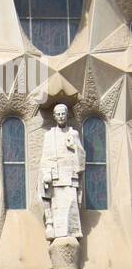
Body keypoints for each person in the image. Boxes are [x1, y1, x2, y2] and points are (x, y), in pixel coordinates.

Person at [39, 103, 85, 241]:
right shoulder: (49, 135)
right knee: (56, 205)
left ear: (67, 115)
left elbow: (82, 156)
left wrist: (74, 146)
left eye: (63, 114)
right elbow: (45, 157)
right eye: (58, 114)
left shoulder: (73, 133)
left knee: (71, 204)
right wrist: (47, 173)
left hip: (70, 176)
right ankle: (51, 226)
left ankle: (73, 233)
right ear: (54, 116)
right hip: (55, 175)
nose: (60, 116)